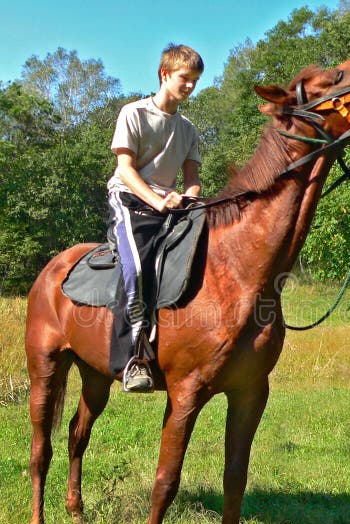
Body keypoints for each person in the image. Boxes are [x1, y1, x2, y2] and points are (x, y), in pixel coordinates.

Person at [106, 43, 204, 393]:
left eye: (195, 80)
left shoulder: (189, 129)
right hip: (130, 200)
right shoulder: (133, 113)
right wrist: (157, 201)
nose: (190, 86)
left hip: (169, 204)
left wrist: (188, 199)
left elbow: (192, 179)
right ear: (165, 74)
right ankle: (132, 360)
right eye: (184, 78)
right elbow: (125, 169)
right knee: (136, 268)